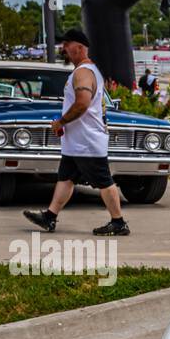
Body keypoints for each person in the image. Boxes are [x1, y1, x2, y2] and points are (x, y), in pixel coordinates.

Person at [22, 29, 129, 237]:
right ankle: (49, 217)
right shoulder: (87, 71)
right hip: (77, 141)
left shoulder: (83, 73)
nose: (63, 48)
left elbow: (82, 104)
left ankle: (118, 223)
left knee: (103, 180)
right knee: (66, 177)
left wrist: (61, 121)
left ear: (79, 47)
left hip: (86, 141)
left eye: (67, 44)